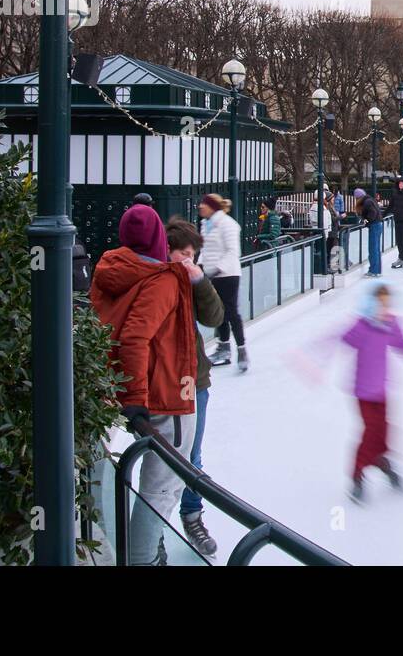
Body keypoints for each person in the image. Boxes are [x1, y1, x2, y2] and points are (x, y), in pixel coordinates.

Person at [89, 204, 199, 565]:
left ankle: (138, 552)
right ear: (157, 238)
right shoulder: (164, 279)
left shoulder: (109, 269)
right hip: (167, 393)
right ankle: (142, 559)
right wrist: (135, 396)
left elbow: (100, 325)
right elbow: (135, 336)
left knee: (150, 482)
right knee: (163, 487)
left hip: (118, 389)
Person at [165, 217, 226, 559]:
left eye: (193, 255)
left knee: (193, 453)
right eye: (184, 254)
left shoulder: (192, 279)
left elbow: (215, 318)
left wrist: (200, 280)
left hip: (195, 381)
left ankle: (192, 515)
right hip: (162, 383)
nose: (189, 260)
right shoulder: (156, 281)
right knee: (160, 455)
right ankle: (155, 523)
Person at [335, 282, 403, 504]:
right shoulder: (362, 326)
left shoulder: (391, 324)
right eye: (380, 303)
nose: (385, 308)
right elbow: (341, 338)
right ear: (371, 304)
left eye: (388, 303)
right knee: (371, 433)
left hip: (381, 390)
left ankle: (383, 463)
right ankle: (357, 476)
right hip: (363, 392)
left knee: (384, 433)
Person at [198, 194, 247, 372]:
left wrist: (217, 268)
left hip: (228, 274)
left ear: (212, 206)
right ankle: (223, 348)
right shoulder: (205, 224)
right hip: (212, 275)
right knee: (218, 312)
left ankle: (241, 349)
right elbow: (204, 249)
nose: (200, 207)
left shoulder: (228, 224)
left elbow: (233, 251)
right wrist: (200, 267)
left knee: (231, 311)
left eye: (204, 204)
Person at [354, 187, 383, 277]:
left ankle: (373, 271)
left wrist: (366, 220)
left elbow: (373, 213)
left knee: (373, 249)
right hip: (377, 225)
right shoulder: (370, 200)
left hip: (374, 226)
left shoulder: (367, 202)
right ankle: (377, 270)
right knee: (376, 249)